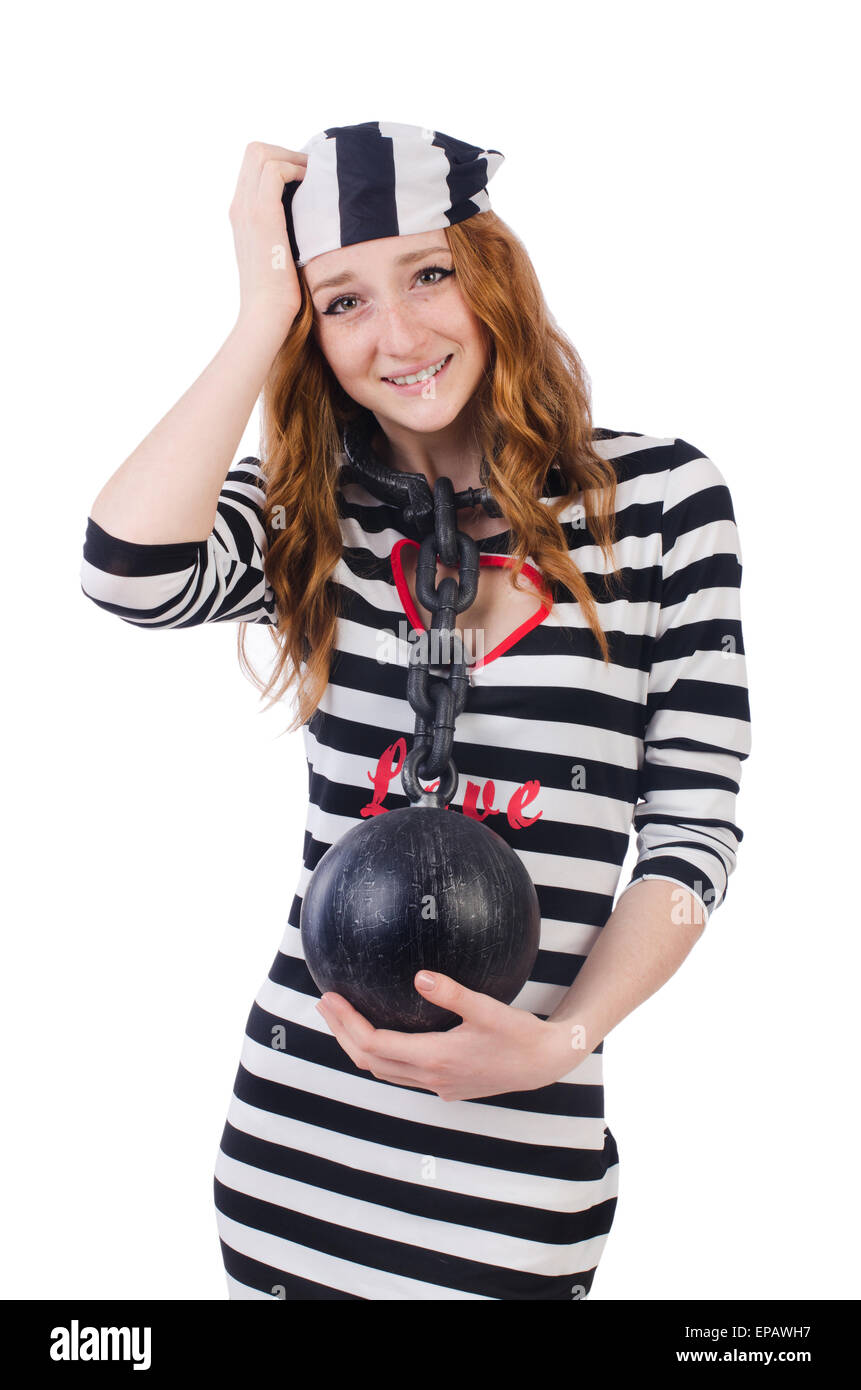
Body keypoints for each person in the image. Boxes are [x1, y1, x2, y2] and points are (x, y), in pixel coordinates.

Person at [79, 121, 752, 1300]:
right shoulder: (313, 513)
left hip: (515, 1181)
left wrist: (566, 1036)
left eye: (429, 274)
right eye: (340, 301)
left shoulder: (659, 506)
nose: (398, 336)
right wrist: (254, 314)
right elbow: (123, 569)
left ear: (490, 274)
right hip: (296, 1152)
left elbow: (693, 833)